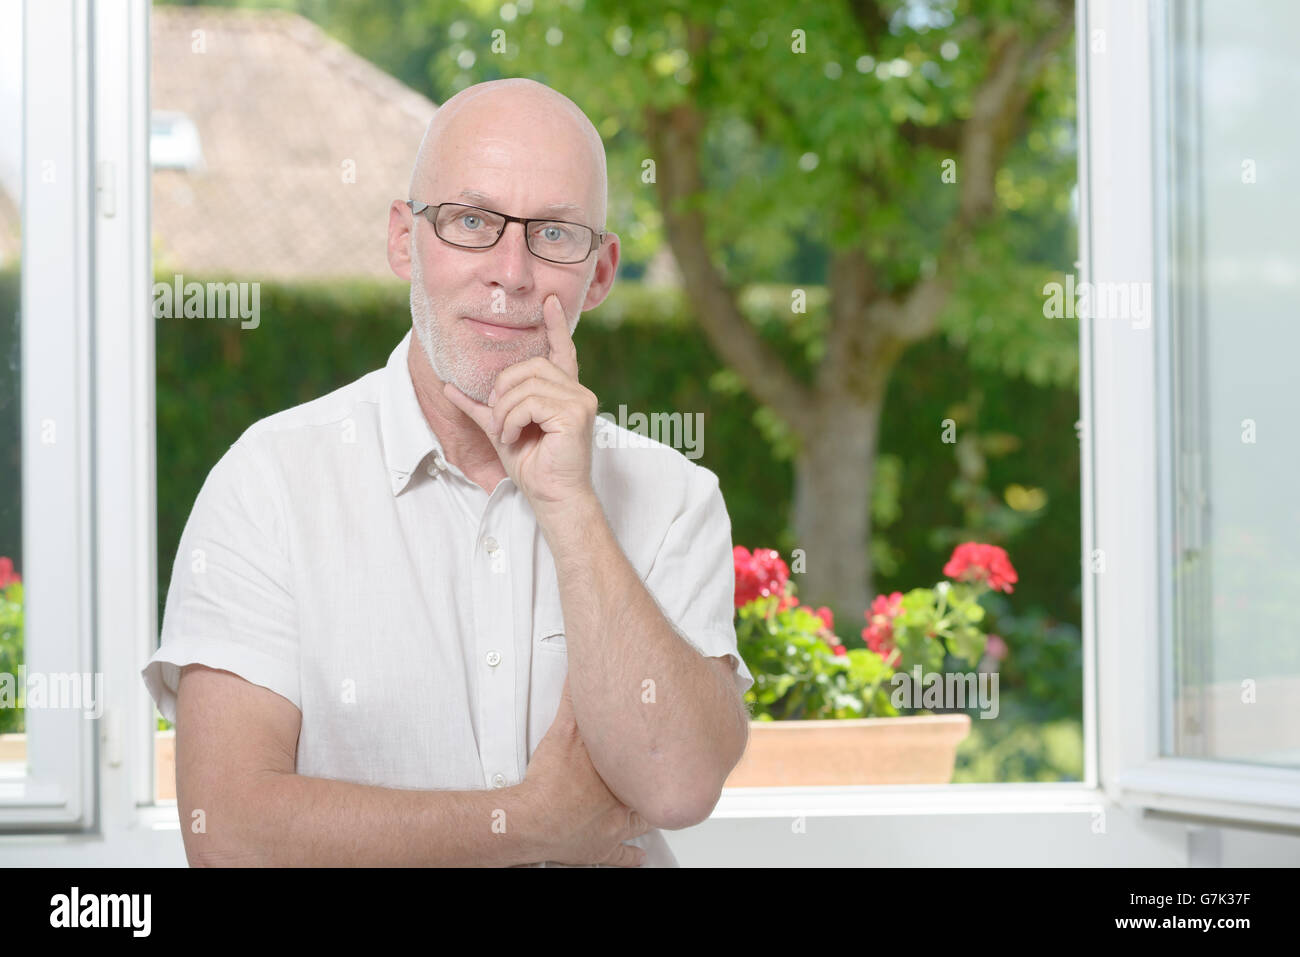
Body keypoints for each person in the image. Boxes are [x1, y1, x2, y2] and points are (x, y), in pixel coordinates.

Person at [142, 77, 754, 867]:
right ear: (404, 239)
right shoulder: (268, 483)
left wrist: (569, 505)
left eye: (555, 235)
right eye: (471, 221)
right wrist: (530, 820)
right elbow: (227, 837)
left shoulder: (673, 497)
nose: (512, 273)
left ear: (600, 274)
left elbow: (678, 783)